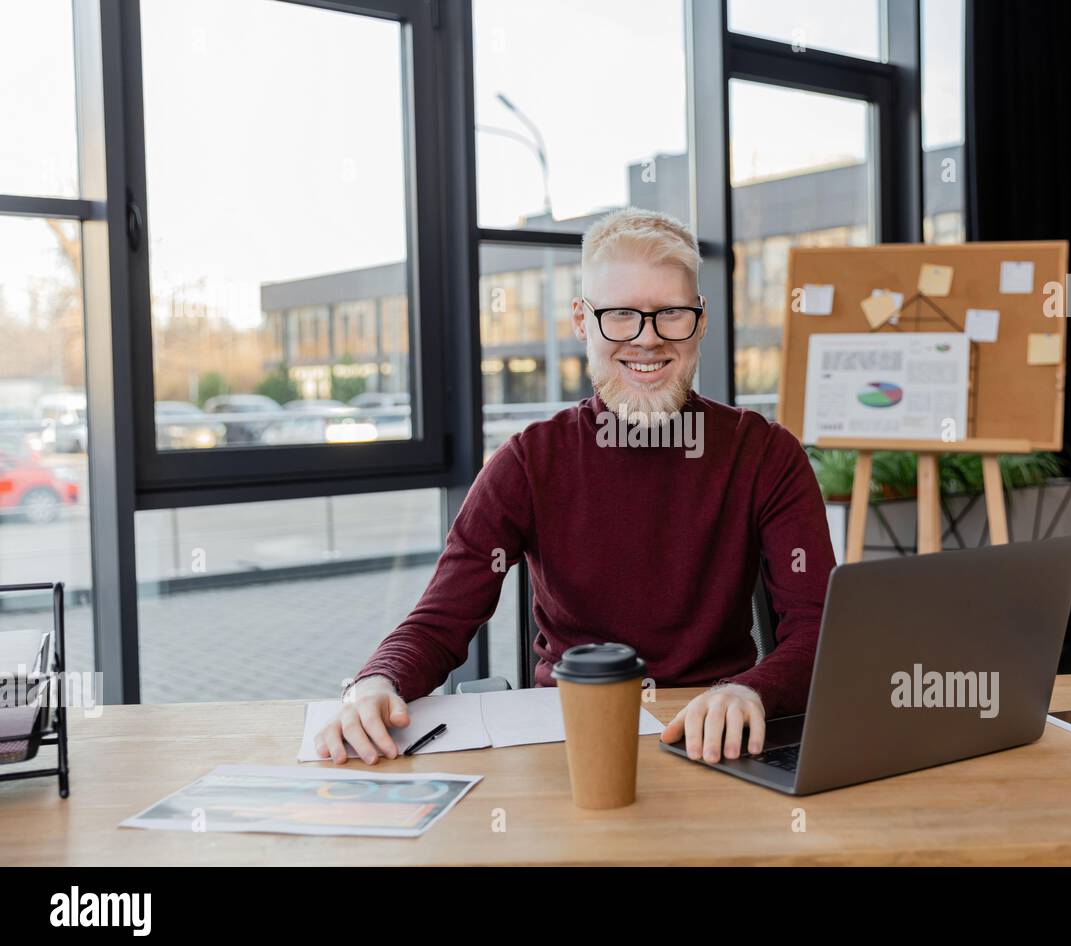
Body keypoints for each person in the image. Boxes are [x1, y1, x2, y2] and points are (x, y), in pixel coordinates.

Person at [314, 207, 834, 768]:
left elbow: (820, 629)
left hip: (717, 738)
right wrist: (374, 682)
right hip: (567, 738)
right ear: (583, 322)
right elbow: (441, 621)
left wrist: (749, 689)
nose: (647, 339)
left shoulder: (765, 452)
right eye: (620, 316)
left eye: (671, 315)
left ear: (700, 323)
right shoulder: (529, 460)